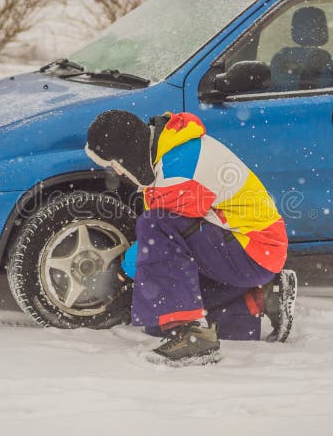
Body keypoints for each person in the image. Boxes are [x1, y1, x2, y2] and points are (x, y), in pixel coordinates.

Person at [85, 110, 297, 367]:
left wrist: (122, 271)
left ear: (126, 155)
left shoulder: (178, 174)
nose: (116, 173)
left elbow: (162, 236)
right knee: (158, 319)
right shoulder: (169, 146)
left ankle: (195, 336)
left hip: (253, 248)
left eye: (114, 165)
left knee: (155, 225)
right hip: (246, 247)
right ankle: (255, 300)